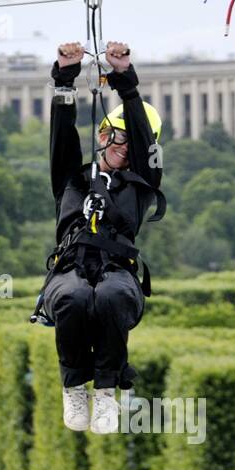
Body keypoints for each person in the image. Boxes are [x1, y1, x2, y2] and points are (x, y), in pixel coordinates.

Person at [39, 40, 165, 434]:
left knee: (110, 296)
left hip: (118, 270)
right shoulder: (72, 179)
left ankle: (107, 391)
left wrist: (124, 80)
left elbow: (144, 144)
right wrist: (65, 77)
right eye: (117, 138)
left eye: (130, 144)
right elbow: (61, 138)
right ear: (104, 134)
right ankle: (74, 384)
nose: (121, 151)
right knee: (73, 298)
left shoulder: (142, 183)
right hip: (71, 266)